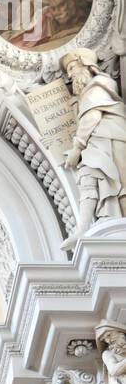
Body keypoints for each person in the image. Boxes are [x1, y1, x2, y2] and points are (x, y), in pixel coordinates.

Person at [61, 49, 126, 246]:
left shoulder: (98, 86)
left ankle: (101, 222)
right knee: (89, 178)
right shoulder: (91, 91)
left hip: (109, 138)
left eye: (72, 67)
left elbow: (92, 116)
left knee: (107, 181)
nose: (70, 74)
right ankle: (83, 228)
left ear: (87, 65)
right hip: (100, 140)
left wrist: (76, 149)